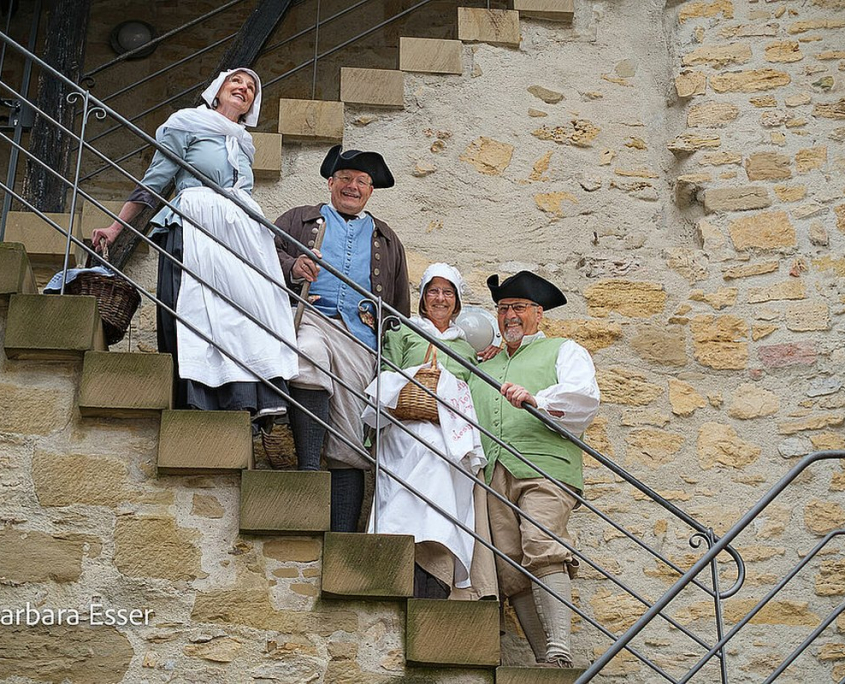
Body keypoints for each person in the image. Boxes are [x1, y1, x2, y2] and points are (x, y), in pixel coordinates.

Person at [92, 69, 298, 418]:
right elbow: (155, 181)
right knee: (197, 311)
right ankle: (197, 400)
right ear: (217, 90)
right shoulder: (186, 124)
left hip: (240, 237)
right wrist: (116, 228)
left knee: (244, 314)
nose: (244, 88)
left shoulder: (244, 143)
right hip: (194, 223)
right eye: (236, 81)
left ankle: (246, 399)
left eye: (251, 87)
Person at [274, 145, 409, 533]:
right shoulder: (299, 219)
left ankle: (343, 536)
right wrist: (292, 266)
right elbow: (261, 251)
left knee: (350, 439)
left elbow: (398, 305)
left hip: (361, 336)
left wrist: (389, 354)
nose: (353, 186)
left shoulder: (386, 237)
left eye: (362, 182)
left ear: (370, 191)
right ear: (331, 182)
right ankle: (307, 467)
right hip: (310, 317)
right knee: (307, 353)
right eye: (346, 178)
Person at [469, 271, 600, 669]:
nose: (510, 315)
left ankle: (560, 651)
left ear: (538, 314)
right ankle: (545, 657)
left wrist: (537, 400)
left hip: (546, 469)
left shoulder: (564, 350)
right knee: (509, 566)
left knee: (543, 545)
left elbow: (584, 398)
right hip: (495, 473)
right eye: (503, 308)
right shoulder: (483, 364)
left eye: (519, 308)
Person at [363, 263, 497, 600]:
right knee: (426, 448)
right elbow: (385, 375)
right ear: (423, 298)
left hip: (448, 430)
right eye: (433, 291)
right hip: (405, 423)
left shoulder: (466, 348)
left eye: (447, 292)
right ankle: (404, 545)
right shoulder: (403, 332)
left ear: (457, 302)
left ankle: (433, 557)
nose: (440, 298)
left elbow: (471, 393)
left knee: (438, 452)